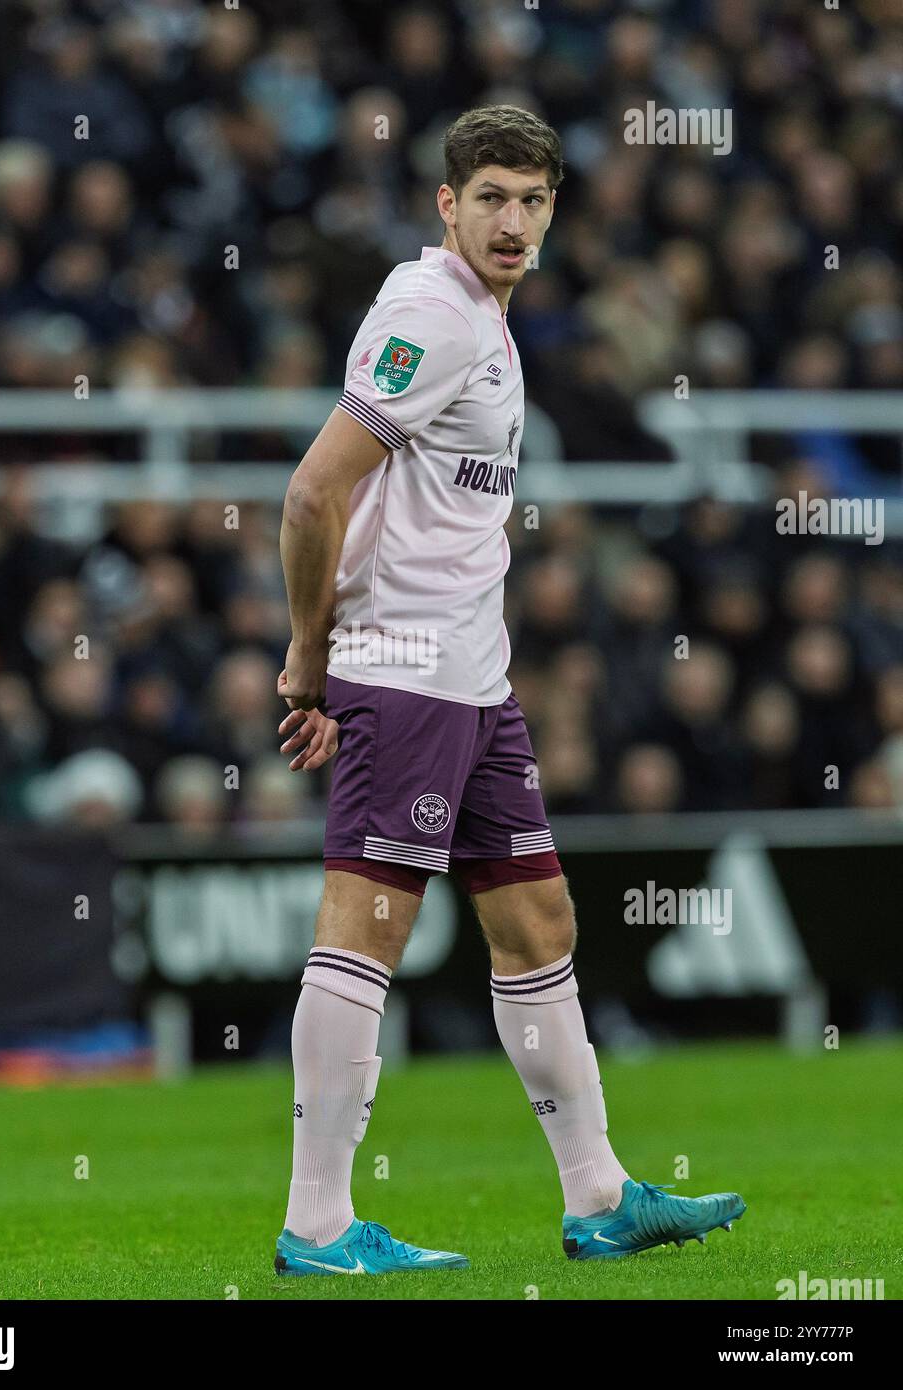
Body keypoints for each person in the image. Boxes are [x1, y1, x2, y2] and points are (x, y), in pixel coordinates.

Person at [273, 105, 744, 1276]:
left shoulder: (480, 316)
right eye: (490, 196)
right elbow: (309, 495)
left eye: (533, 201)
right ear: (447, 203)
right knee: (367, 933)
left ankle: (597, 1197)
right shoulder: (431, 316)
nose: (513, 221)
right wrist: (307, 654)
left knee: (537, 920)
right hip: (405, 674)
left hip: (473, 681)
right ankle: (317, 1223)